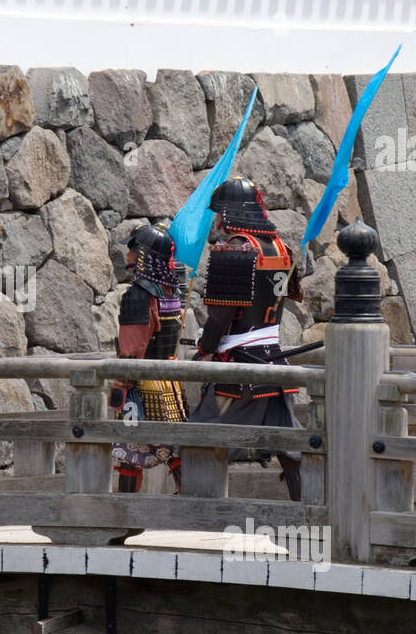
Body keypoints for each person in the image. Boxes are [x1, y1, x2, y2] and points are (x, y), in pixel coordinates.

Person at [188, 175, 305, 500]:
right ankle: (307, 509)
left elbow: (220, 318)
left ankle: (197, 514)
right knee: (290, 447)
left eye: (219, 214)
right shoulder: (282, 250)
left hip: (238, 368)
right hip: (274, 363)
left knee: (199, 434)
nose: (218, 221)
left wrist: (205, 350)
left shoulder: (236, 249)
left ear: (230, 212)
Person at [109, 221, 187, 493]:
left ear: (143, 256)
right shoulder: (173, 292)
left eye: (132, 251)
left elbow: (132, 351)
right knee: (176, 454)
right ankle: (196, 508)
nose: (128, 256)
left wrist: (120, 386)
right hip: (171, 384)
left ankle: (123, 515)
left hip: (142, 388)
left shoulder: (139, 295)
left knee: (128, 454)